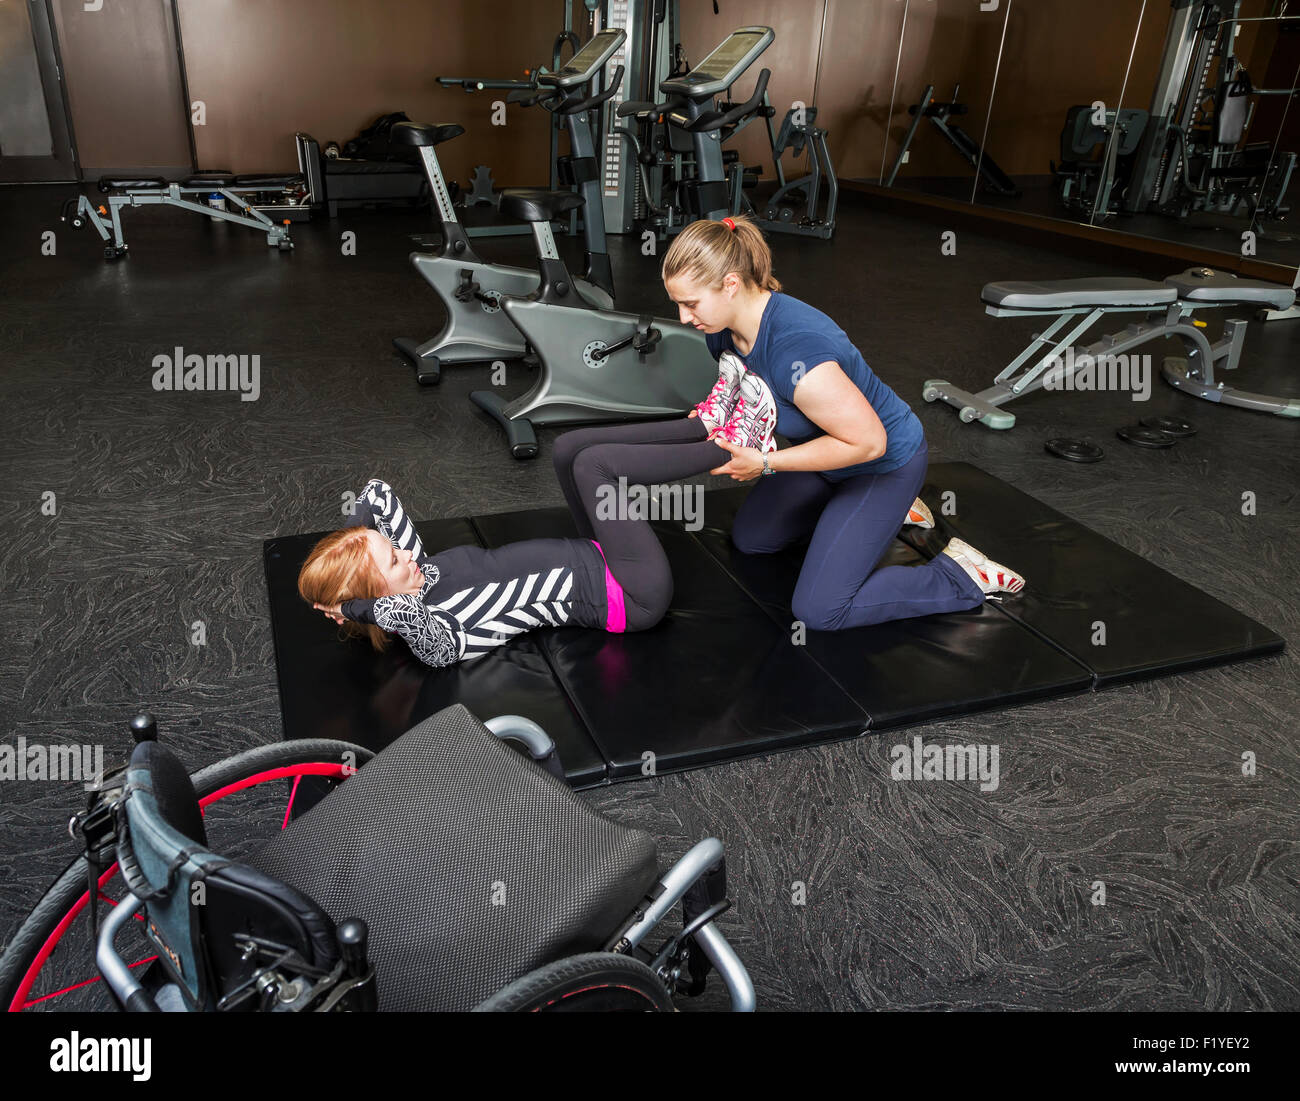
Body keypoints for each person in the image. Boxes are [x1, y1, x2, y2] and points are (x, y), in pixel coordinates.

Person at [551, 214, 1025, 634]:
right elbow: (743, 392)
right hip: (819, 456)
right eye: (678, 303)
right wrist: (713, 414)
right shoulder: (725, 330)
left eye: (691, 304)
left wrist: (767, 463)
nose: (683, 317)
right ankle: (888, 516)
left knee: (820, 610)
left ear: (731, 285)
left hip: (878, 463)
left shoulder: (798, 351)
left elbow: (868, 443)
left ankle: (960, 574)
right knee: (753, 541)